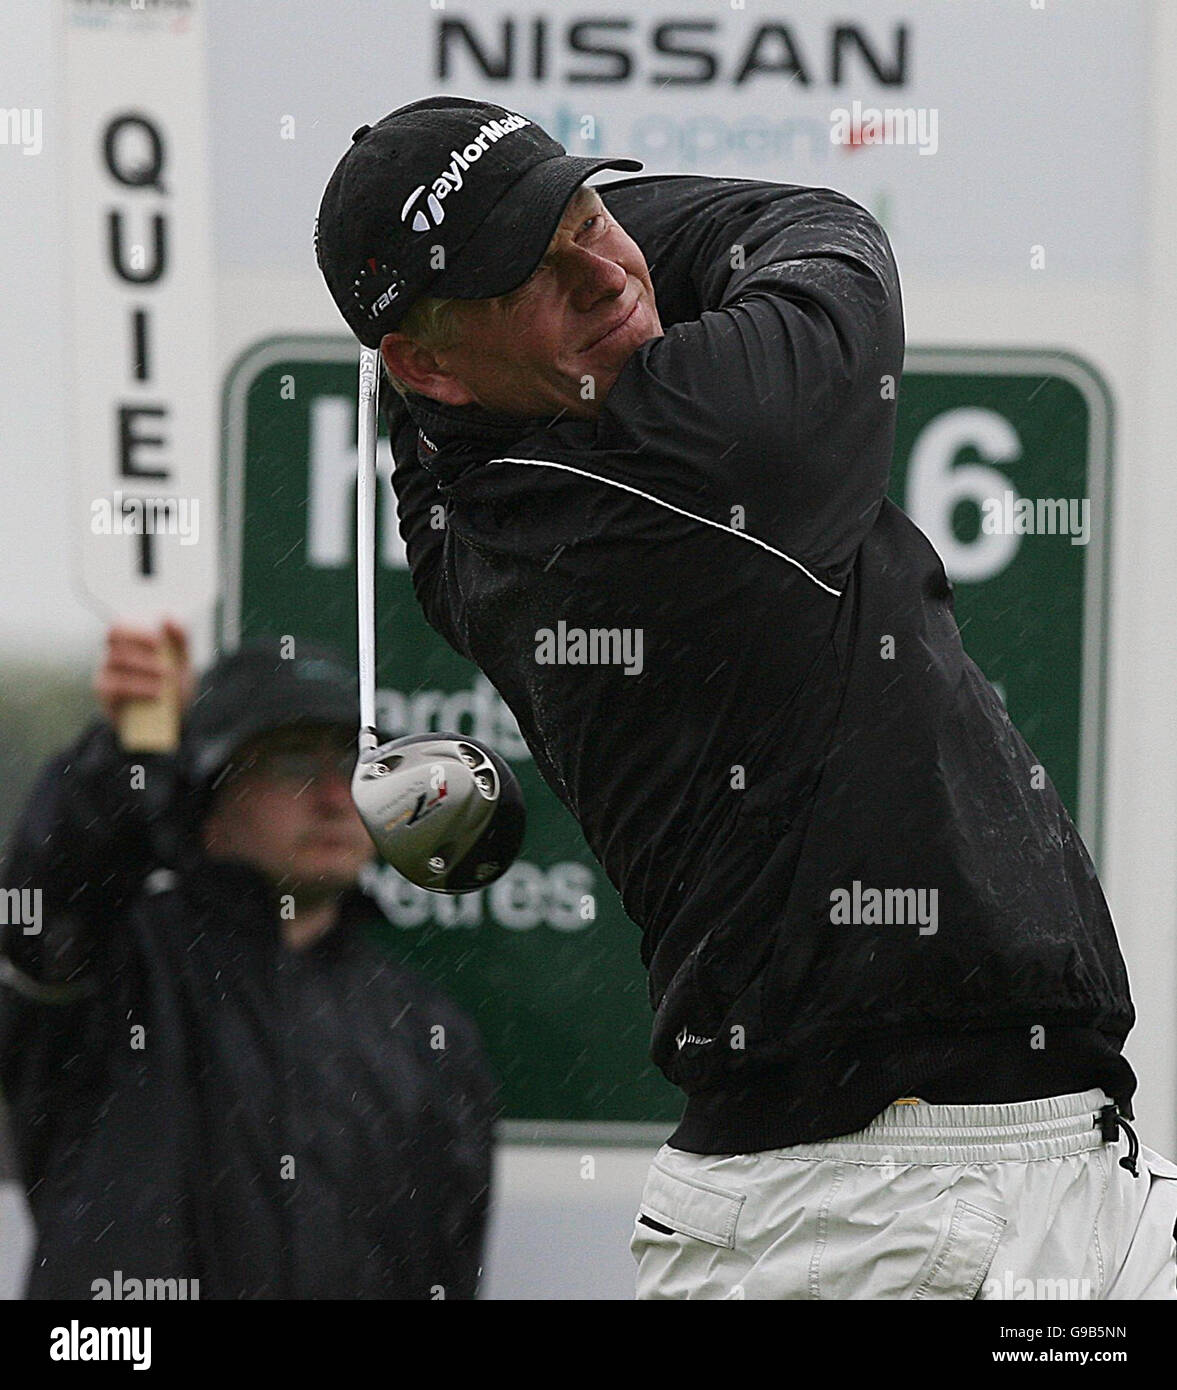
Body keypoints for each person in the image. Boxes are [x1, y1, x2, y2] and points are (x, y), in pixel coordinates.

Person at [314, 96, 1177, 1301]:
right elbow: (826, 237)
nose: (596, 269)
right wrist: (600, 226)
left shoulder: (467, 478)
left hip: (1020, 1178)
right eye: (528, 266)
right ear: (425, 363)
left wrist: (539, 233)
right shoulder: (705, 452)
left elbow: (560, 296)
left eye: (586, 211)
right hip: (873, 1213)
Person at [0, 623, 497, 1300]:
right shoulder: (114, 970)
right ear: (208, 796)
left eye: (356, 762)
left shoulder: (431, 1037)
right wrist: (127, 751)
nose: (333, 796)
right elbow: (45, 894)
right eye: (293, 762)